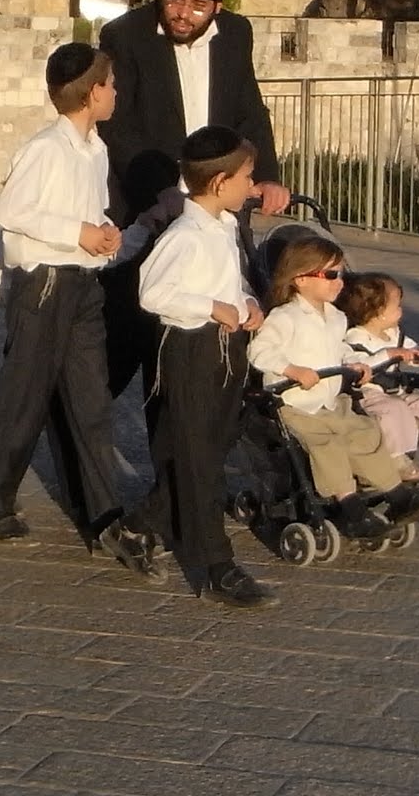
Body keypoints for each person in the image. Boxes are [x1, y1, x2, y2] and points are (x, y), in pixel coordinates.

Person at [0, 43, 160, 579]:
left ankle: (102, 512)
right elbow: (12, 212)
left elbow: (90, 213)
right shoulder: (46, 148)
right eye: (112, 84)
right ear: (92, 92)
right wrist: (78, 232)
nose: (117, 93)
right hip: (45, 285)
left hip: (84, 287)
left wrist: (122, 233)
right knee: (24, 398)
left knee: (91, 401)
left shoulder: (93, 150)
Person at [93, 0, 291, 406]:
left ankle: (186, 460)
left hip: (220, 203)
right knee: (130, 336)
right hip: (151, 204)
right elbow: (119, 130)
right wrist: (164, 192)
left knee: (206, 336)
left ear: (219, 6)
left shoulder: (237, 35)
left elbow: (249, 108)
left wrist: (268, 175)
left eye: (197, 5)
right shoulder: (125, 36)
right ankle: (82, 427)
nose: (183, 14)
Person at [133, 126, 275, 610]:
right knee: (198, 459)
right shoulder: (184, 234)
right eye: (247, 178)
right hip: (190, 353)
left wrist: (247, 302)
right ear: (218, 184)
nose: (253, 187)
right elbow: (152, 293)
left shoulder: (223, 226)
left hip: (226, 350)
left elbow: (230, 279)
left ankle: (144, 523)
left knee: (211, 444)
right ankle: (216, 564)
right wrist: (213, 306)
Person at [247, 236, 402, 539]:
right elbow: (259, 352)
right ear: (301, 279)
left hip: (329, 400)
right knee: (326, 445)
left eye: (341, 274)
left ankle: (396, 493)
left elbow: (340, 349)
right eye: (330, 275)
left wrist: (355, 363)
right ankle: (349, 505)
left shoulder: (336, 317)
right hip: (295, 403)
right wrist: (291, 370)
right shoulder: (285, 316)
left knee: (364, 431)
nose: (339, 282)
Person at [339, 272, 419, 477]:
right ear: (380, 312)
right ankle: (397, 458)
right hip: (368, 394)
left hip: (394, 391)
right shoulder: (355, 337)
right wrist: (388, 354)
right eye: (397, 306)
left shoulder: (394, 334)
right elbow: (358, 365)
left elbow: (411, 351)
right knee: (394, 409)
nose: (401, 311)